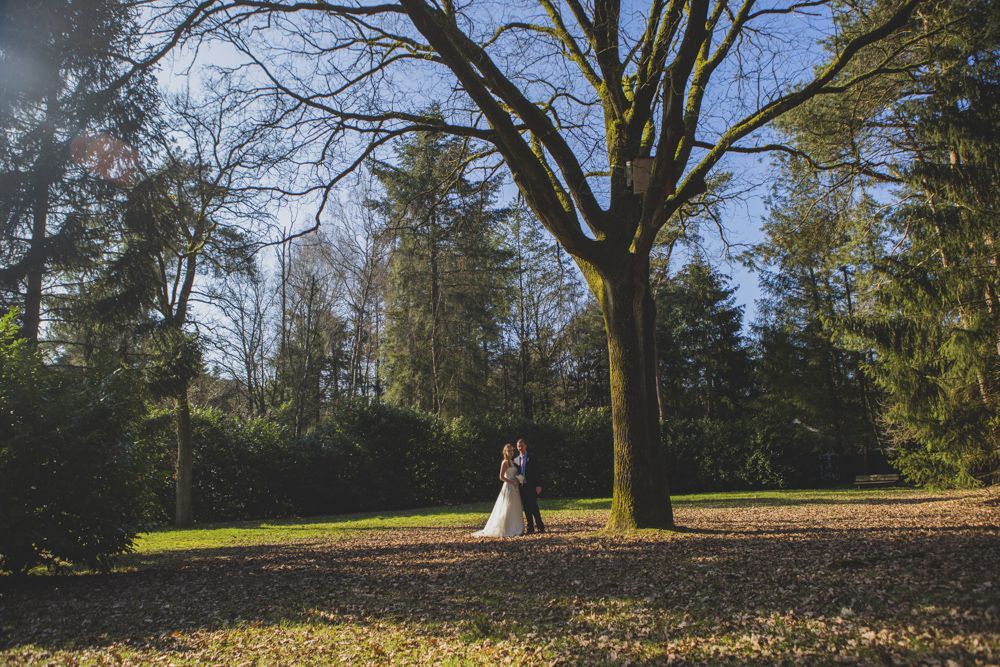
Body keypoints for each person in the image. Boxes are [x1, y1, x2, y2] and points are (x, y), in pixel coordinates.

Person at [471, 444, 525, 538]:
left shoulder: (513, 462)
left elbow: (517, 473)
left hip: (515, 488)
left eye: (512, 451)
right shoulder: (504, 462)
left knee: (514, 507)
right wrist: (511, 482)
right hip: (508, 487)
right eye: (509, 451)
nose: (511, 453)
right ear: (505, 452)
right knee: (507, 507)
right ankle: (506, 528)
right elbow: (501, 477)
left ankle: (516, 527)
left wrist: (518, 480)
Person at [514, 438, 545, 533]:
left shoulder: (532, 457)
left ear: (525, 446)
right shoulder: (516, 460)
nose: (520, 448)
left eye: (522, 445)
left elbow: (537, 472)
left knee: (534, 506)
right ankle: (530, 528)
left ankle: (540, 527)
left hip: (531, 486)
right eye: (518, 446)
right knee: (526, 508)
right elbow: (516, 473)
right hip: (522, 487)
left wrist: (538, 485)